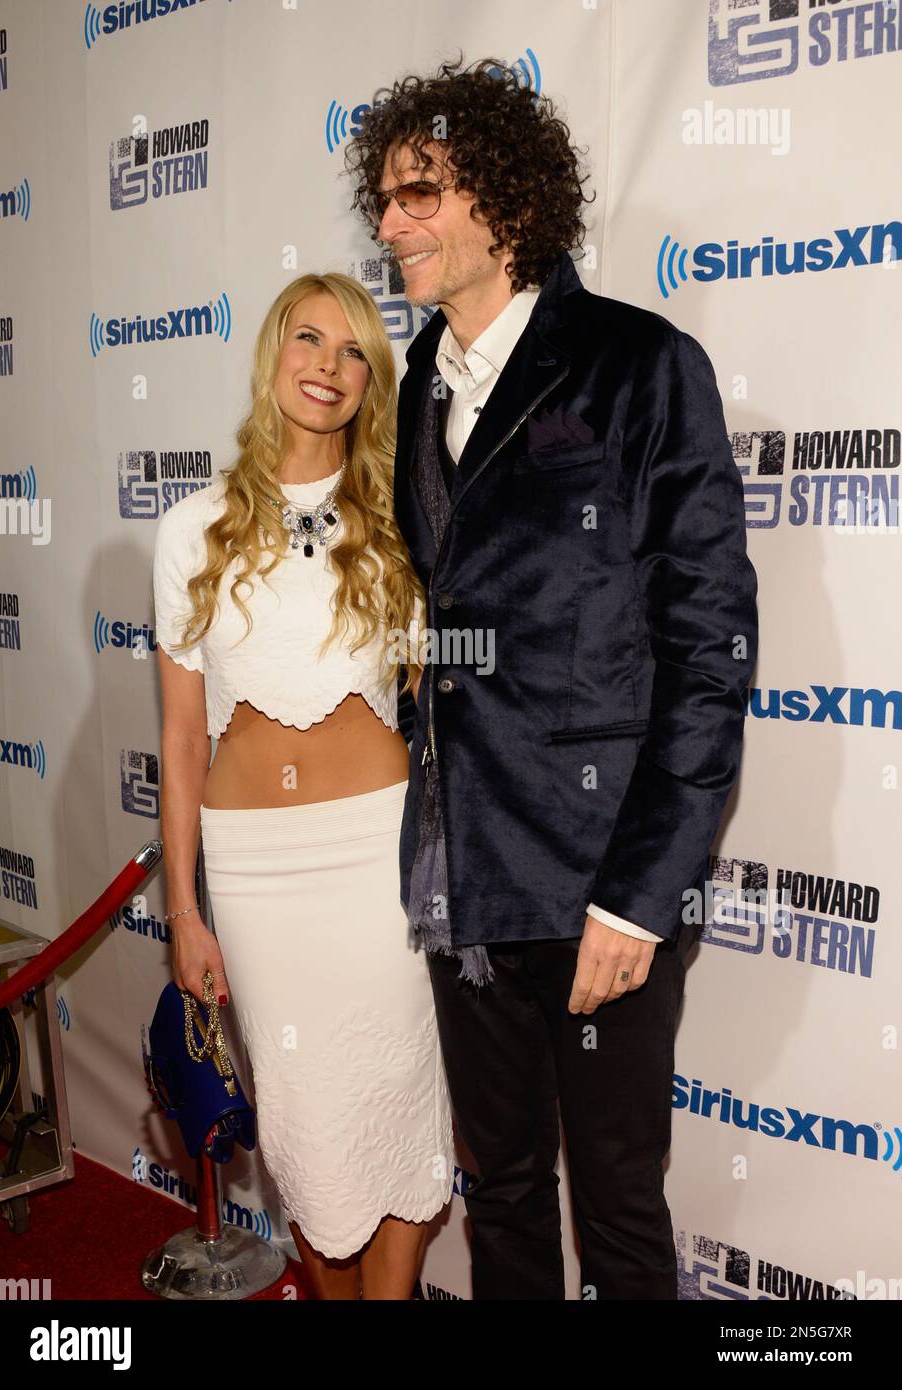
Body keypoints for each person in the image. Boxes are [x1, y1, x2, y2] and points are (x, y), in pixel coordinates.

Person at [345, 57, 759, 1299]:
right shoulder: (417, 382)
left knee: (620, 1211)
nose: (389, 223)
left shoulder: (640, 365)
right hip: (464, 875)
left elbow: (708, 653)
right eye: (382, 198)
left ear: (506, 205)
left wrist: (637, 899)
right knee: (505, 1192)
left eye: (419, 193)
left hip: (598, 881)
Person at [151, 271, 453, 1300]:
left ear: (373, 379)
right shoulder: (191, 529)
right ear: (271, 352)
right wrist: (182, 910)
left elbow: (439, 710)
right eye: (307, 339)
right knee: (309, 1140)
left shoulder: (404, 522)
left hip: (383, 864)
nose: (327, 366)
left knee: (404, 1114)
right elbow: (182, 738)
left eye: (353, 349)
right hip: (260, 881)